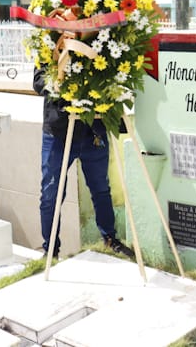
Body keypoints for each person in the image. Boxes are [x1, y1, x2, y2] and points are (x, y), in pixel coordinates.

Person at [33, 67, 134, 260]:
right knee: (50, 194)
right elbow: (38, 80)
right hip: (59, 132)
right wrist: (57, 84)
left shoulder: (102, 38)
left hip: (94, 129)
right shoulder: (51, 40)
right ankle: (50, 252)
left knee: (101, 189)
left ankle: (111, 240)